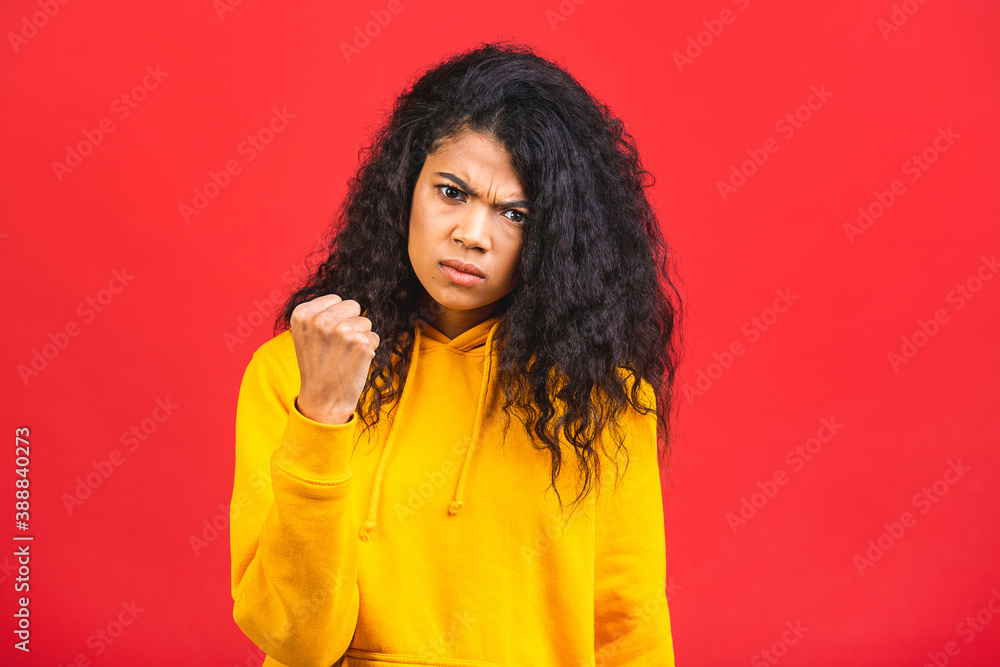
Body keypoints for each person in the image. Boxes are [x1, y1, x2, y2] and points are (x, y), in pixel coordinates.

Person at [230, 40, 685, 667]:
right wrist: (323, 417)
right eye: (451, 192)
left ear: (555, 236)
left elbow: (627, 630)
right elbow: (296, 641)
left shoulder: (600, 401)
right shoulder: (296, 373)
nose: (472, 234)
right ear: (403, 190)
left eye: (515, 213)